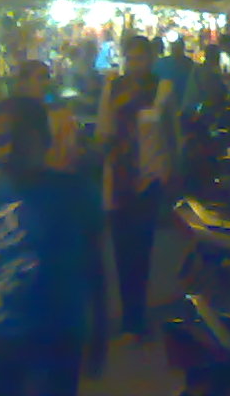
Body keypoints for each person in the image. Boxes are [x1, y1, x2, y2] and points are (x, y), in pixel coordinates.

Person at [0, 97, 109, 396]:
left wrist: (100, 331)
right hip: (2, 341)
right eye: (1, 141)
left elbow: (95, 268)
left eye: (20, 141)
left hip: (59, 341)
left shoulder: (77, 194)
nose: (9, 151)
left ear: (45, 142)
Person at [97, 33, 176, 338]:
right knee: (120, 249)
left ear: (151, 59)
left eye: (141, 58)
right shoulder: (112, 88)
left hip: (149, 180)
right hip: (118, 179)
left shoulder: (162, 90)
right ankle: (128, 313)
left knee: (142, 250)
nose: (135, 64)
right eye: (130, 58)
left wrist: (171, 172)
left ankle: (137, 314)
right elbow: (104, 131)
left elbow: (172, 134)